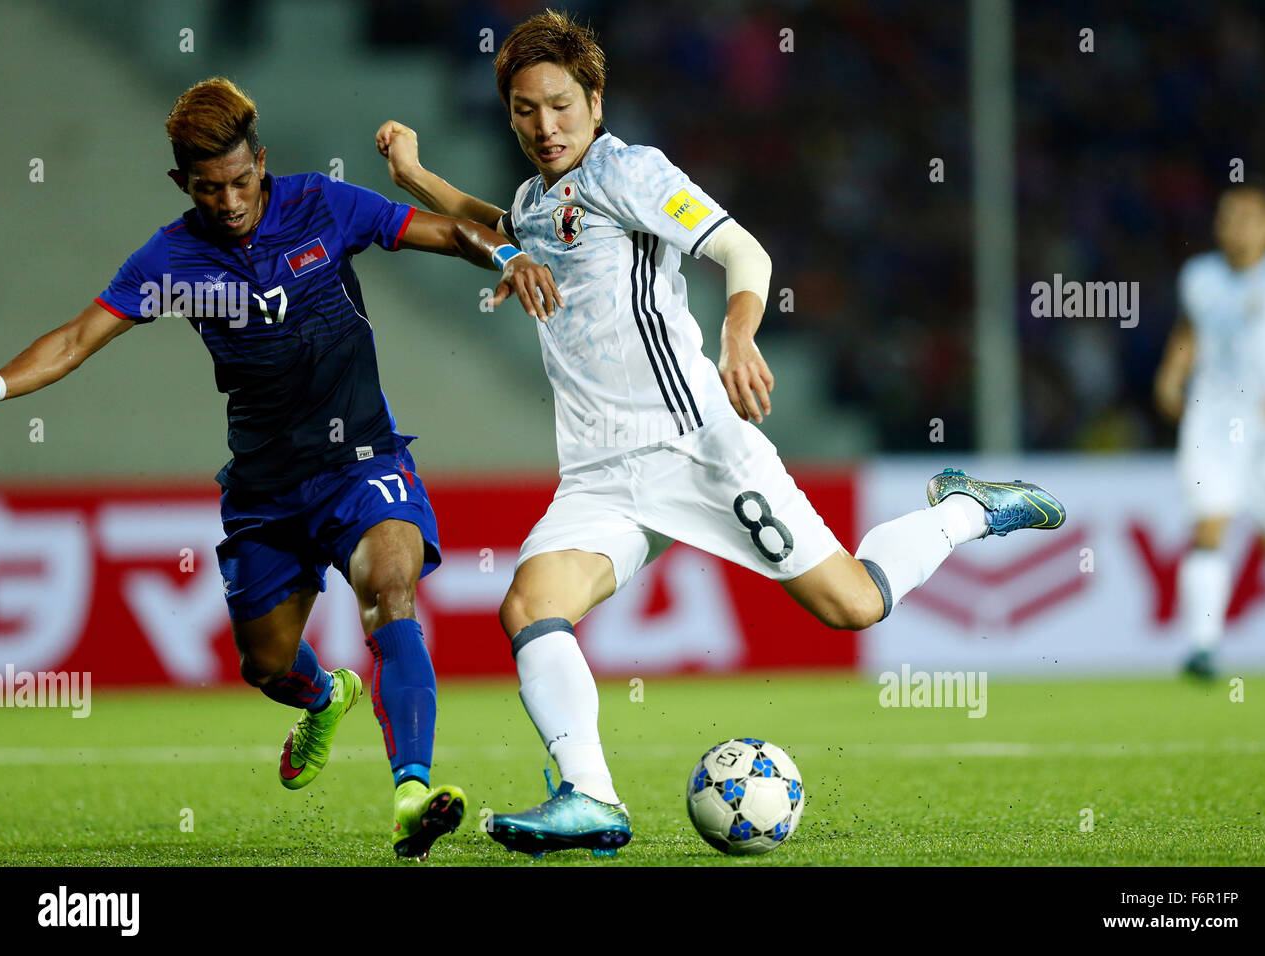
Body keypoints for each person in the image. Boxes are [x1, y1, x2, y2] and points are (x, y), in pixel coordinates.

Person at [375, 10, 1064, 857]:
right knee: (529, 605)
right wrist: (414, 176)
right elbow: (500, 225)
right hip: (599, 473)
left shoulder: (630, 171)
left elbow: (745, 252)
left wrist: (739, 335)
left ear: (595, 99)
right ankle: (590, 797)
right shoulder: (536, 199)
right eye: (524, 110)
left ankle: (963, 509)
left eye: (560, 105)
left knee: (853, 605)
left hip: (694, 444)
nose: (544, 126)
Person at [0, 76, 560, 860]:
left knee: (391, 587)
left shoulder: (323, 205)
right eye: (207, 189)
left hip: (363, 458)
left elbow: (442, 230)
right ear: (180, 185)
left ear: (263, 161)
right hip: (264, 489)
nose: (227, 202)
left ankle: (411, 792)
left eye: (240, 182)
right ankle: (325, 698)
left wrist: (505, 253)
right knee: (266, 663)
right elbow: (75, 340)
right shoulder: (169, 257)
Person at [1154, 180, 1265, 680]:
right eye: (1229, 216)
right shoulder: (1201, 276)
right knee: (1209, 525)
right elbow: (1190, 330)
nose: (1237, 226)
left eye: (1249, 217)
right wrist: (1173, 372)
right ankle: (1202, 649)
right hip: (1211, 422)